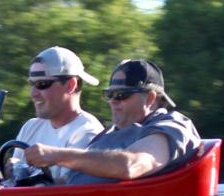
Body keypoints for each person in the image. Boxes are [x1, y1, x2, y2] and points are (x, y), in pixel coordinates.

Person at [22, 59, 200, 184]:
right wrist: (42, 184)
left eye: (122, 95)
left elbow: (132, 165)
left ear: (150, 98)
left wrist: (57, 155)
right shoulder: (108, 135)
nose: (113, 101)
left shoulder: (170, 125)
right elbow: (71, 181)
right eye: (110, 95)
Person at [7, 46, 105, 184]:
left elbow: (66, 192)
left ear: (70, 85)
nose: (33, 93)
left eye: (42, 84)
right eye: (32, 84)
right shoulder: (31, 126)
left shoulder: (87, 133)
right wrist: (13, 168)